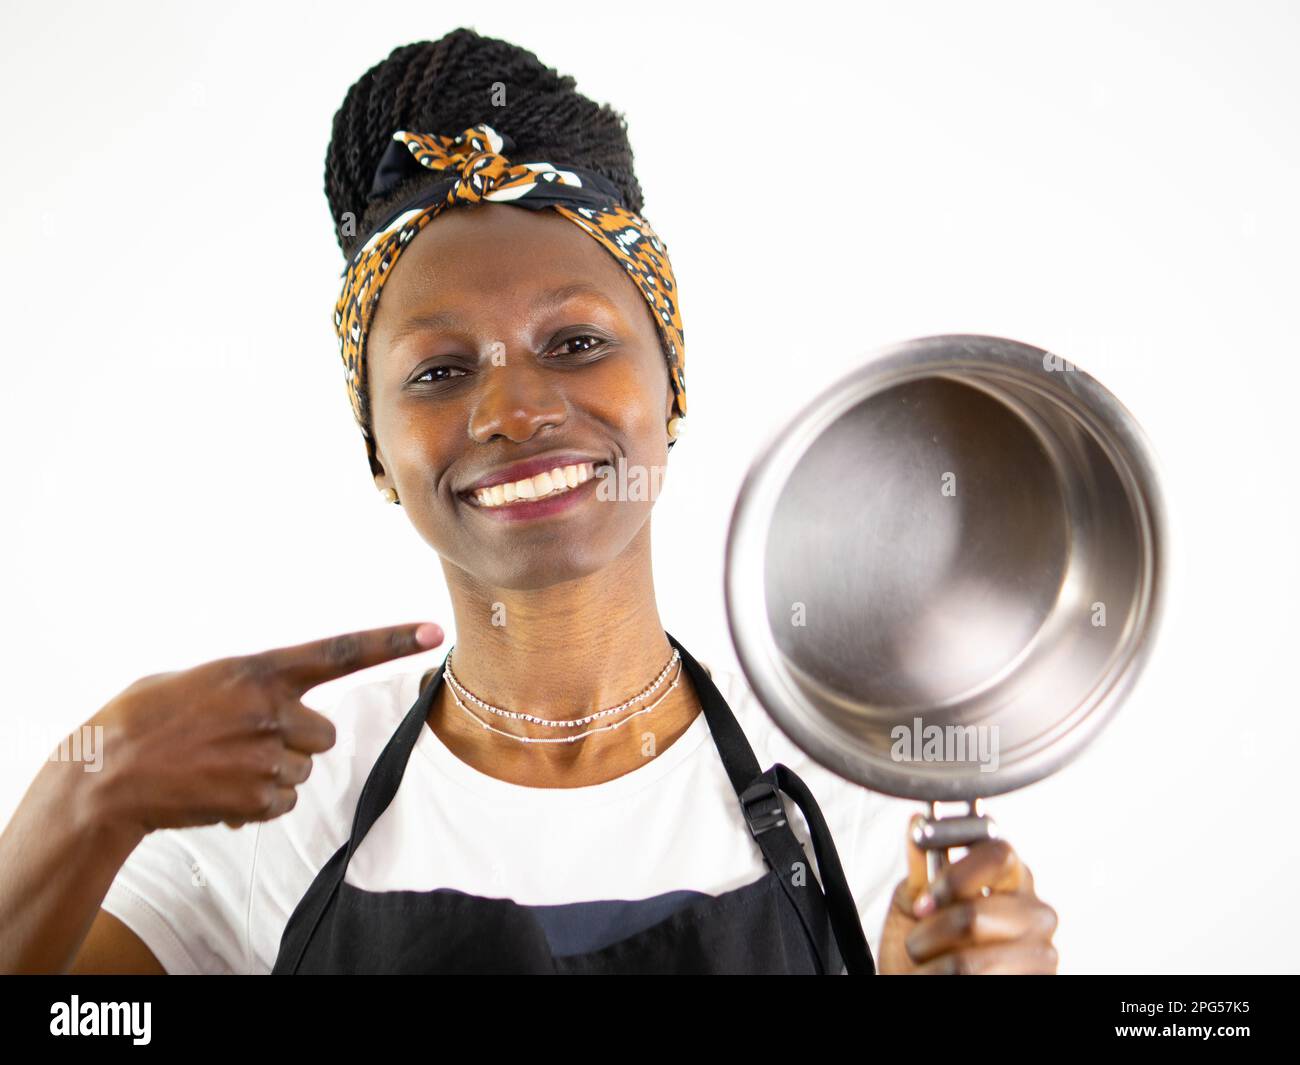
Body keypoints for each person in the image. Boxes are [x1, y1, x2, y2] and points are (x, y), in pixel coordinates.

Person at [0, 27, 1058, 974]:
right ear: (377, 448)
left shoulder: (853, 796)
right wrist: (83, 798)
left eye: (576, 343)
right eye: (440, 371)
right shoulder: (275, 802)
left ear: (670, 384)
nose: (514, 408)